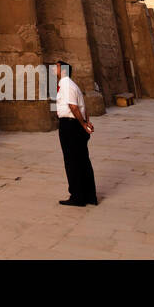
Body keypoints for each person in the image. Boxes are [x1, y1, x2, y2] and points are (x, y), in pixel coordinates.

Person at [54, 60, 98, 206]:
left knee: (72, 161)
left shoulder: (66, 85)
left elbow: (73, 107)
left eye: (57, 67)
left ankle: (77, 196)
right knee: (82, 160)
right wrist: (86, 122)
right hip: (75, 125)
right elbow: (83, 105)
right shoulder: (71, 85)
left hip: (70, 126)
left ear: (63, 70)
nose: (54, 69)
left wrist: (83, 124)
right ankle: (89, 196)